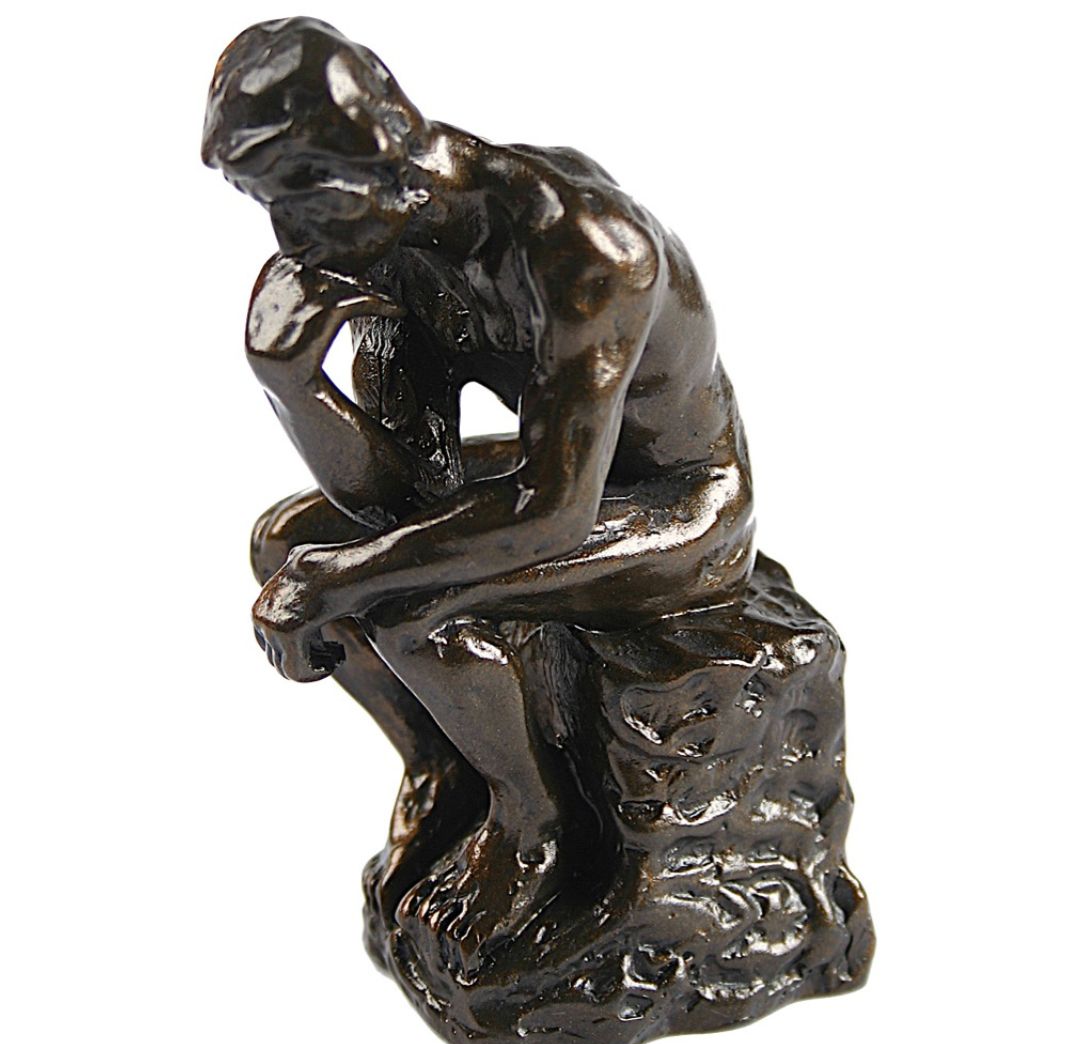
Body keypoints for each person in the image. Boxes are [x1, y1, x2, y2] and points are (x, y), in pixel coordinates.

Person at [203, 17, 755, 961]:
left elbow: (553, 514)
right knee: (285, 543)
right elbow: (404, 492)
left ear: (382, 150)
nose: (290, 240)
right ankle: (442, 763)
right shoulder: (390, 252)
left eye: (302, 201)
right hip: (565, 487)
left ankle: (535, 824)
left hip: (681, 505)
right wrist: (290, 384)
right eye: (270, 209)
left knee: (404, 601)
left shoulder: (586, 249)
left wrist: (343, 580)